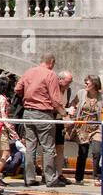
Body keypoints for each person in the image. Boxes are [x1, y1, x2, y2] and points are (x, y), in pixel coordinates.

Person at [15, 51, 67, 187]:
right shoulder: (51, 75)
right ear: (52, 62)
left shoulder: (29, 72)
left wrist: (27, 97)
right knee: (48, 147)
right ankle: (50, 179)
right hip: (44, 114)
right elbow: (55, 100)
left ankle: (29, 178)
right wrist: (65, 114)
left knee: (30, 146)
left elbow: (17, 88)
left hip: (28, 114)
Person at [72, 75, 103, 184]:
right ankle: (78, 178)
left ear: (95, 84)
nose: (85, 83)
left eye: (88, 82)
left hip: (96, 127)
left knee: (96, 152)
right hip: (83, 127)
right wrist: (72, 108)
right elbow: (73, 102)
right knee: (82, 153)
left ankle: (97, 177)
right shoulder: (81, 93)